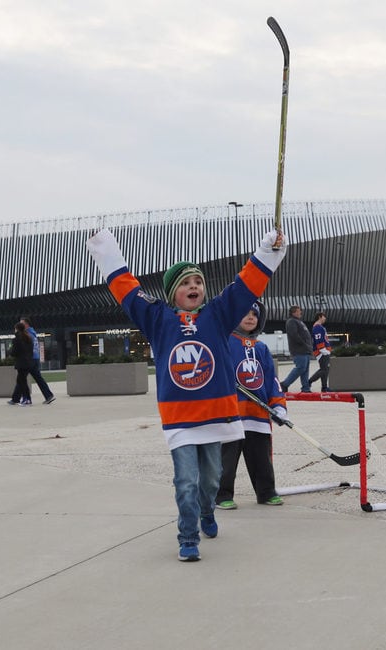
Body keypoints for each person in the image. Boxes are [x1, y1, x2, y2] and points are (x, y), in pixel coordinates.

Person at [86, 227, 287, 562]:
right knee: (186, 482)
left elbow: (246, 286)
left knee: (210, 481)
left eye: (198, 282)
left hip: (216, 416)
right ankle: (188, 536)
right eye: (185, 283)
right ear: (172, 293)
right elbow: (127, 290)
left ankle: (207, 511)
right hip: (179, 419)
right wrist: (105, 249)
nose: (194, 287)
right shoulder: (157, 318)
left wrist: (268, 251)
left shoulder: (218, 315)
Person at [217, 301, 288, 509]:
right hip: (232, 414)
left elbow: (271, 380)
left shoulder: (261, 348)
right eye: (244, 313)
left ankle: (266, 492)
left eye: (254, 314)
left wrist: (278, 406)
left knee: (261, 458)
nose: (250, 317)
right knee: (227, 459)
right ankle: (221, 495)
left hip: (258, 414)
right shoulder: (224, 342)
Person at [19, 316, 56, 405]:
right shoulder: (33, 333)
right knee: (38, 378)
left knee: (21, 379)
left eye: (21, 323)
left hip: (30, 359)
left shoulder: (27, 334)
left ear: (26, 324)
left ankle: (21, 399)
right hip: (35, 358)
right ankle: (48, 395)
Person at [279, 306, 312, 393]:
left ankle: (305, 388)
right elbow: (294, 335)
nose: (300, 312)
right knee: (301, 368)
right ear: (293, 312)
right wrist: (304, 344)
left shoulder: (299, 321)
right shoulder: (291, 321)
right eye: (298, 311)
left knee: (305, 370)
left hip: (305, 350)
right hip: (299, 350)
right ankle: (285, 384)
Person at [7, 321, 34, 406]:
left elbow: (14, 352)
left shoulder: (16, 340)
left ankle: (27, 399)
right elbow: (30, 351)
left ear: (17, 329)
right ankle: (23, 398)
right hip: (28, 362)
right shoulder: (29, 338)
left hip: (21, 363)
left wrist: (10, 350)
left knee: (22, 381)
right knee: (21, 381)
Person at [307, 312, 332, 392]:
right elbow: (319, 339)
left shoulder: (319, 327)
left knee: (325, 370)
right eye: (324, 317)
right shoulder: (317, 327)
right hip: (322, 352)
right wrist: (323, 350)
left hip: (324, 351)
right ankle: (309, 381)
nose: (325, 318)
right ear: (319, 317)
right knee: (324, 370)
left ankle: (324, 387)